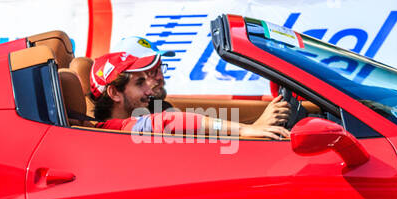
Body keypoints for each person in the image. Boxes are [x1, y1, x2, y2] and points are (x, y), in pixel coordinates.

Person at [88, 41, 289, 139]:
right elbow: (171, 122)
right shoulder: (112, 130)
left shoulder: (150, 113)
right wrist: (247, 129)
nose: (151, 86)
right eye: (140, 83)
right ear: (114, 93)